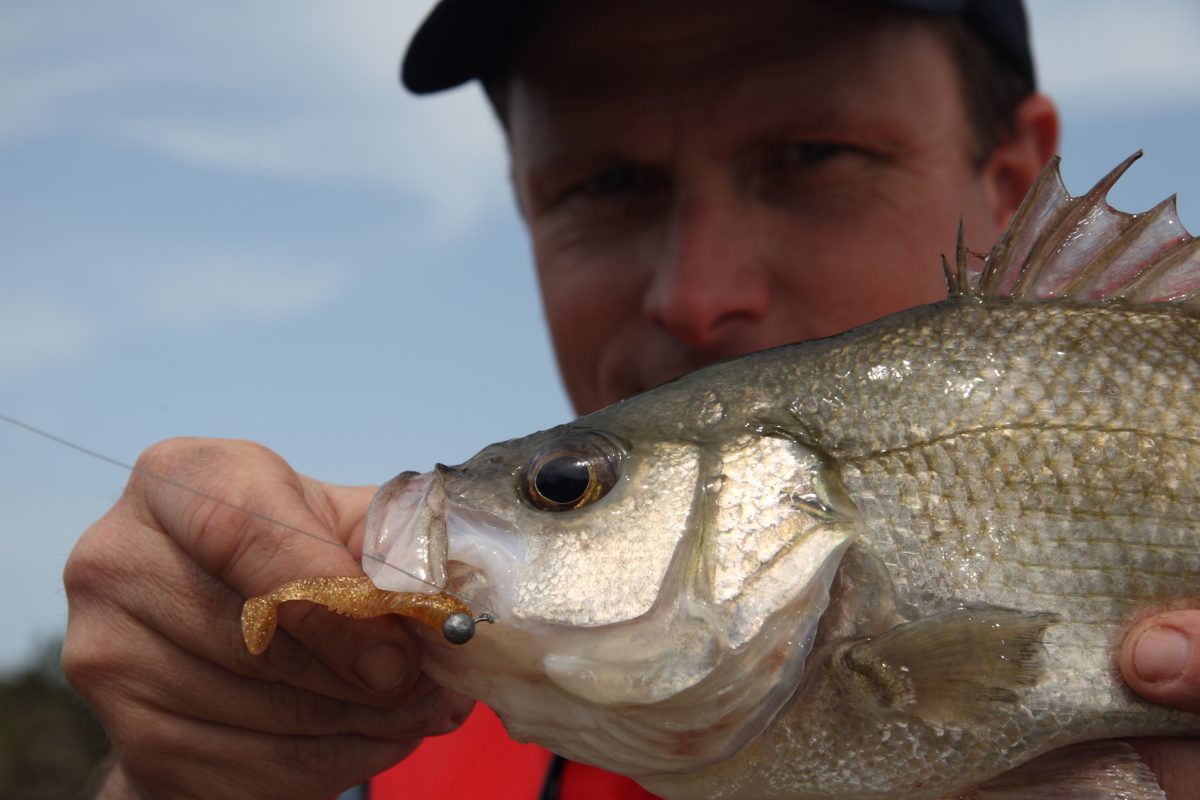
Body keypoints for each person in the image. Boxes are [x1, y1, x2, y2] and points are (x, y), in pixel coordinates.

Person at [60, 1, 1199, 798]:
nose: (697, 294)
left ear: (1011, 185)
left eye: (811, 153)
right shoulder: (379, 760)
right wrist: (179, 783)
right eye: (607, 184)